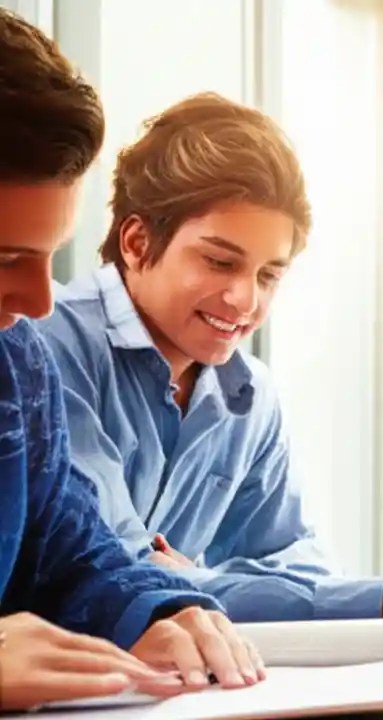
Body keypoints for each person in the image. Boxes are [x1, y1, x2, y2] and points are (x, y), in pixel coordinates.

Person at [35, 92, 383, 623]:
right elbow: (118, 575)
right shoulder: (46, 346)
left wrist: (191, 581)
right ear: (135, 242)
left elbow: (300, 566)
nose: (245, 300)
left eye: (269, 275)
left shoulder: (250, 398)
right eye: (220, 262)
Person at [0, 8, 262, 709]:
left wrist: (161, 610)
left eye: (47, 257)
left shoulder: (13, 360)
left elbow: (72, 548)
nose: (37, 300)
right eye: (4, 259)